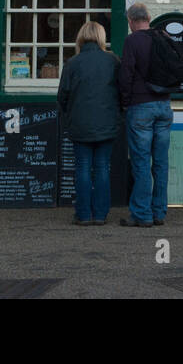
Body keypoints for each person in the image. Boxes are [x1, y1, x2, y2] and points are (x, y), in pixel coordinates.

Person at [57, 21, 121, 226]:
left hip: (80, 123)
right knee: (102, 168)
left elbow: (62, 96)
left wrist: (70, 115)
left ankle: (83, 214)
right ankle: (100, 214)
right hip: (107, 123)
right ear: (101, 37)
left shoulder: (72, 63)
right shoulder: (113, 62)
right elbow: (121, 93)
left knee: (83, 168)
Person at [117, 3, 172, 228]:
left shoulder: (132, 40)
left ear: (131, 21)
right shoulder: (164, 37)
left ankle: (142, 214)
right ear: (149, 18)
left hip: (141, 107)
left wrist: (125, 102)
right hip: (164, 105)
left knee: (140, 162)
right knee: (161, 162)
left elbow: (126, 73)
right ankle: (159, 212)